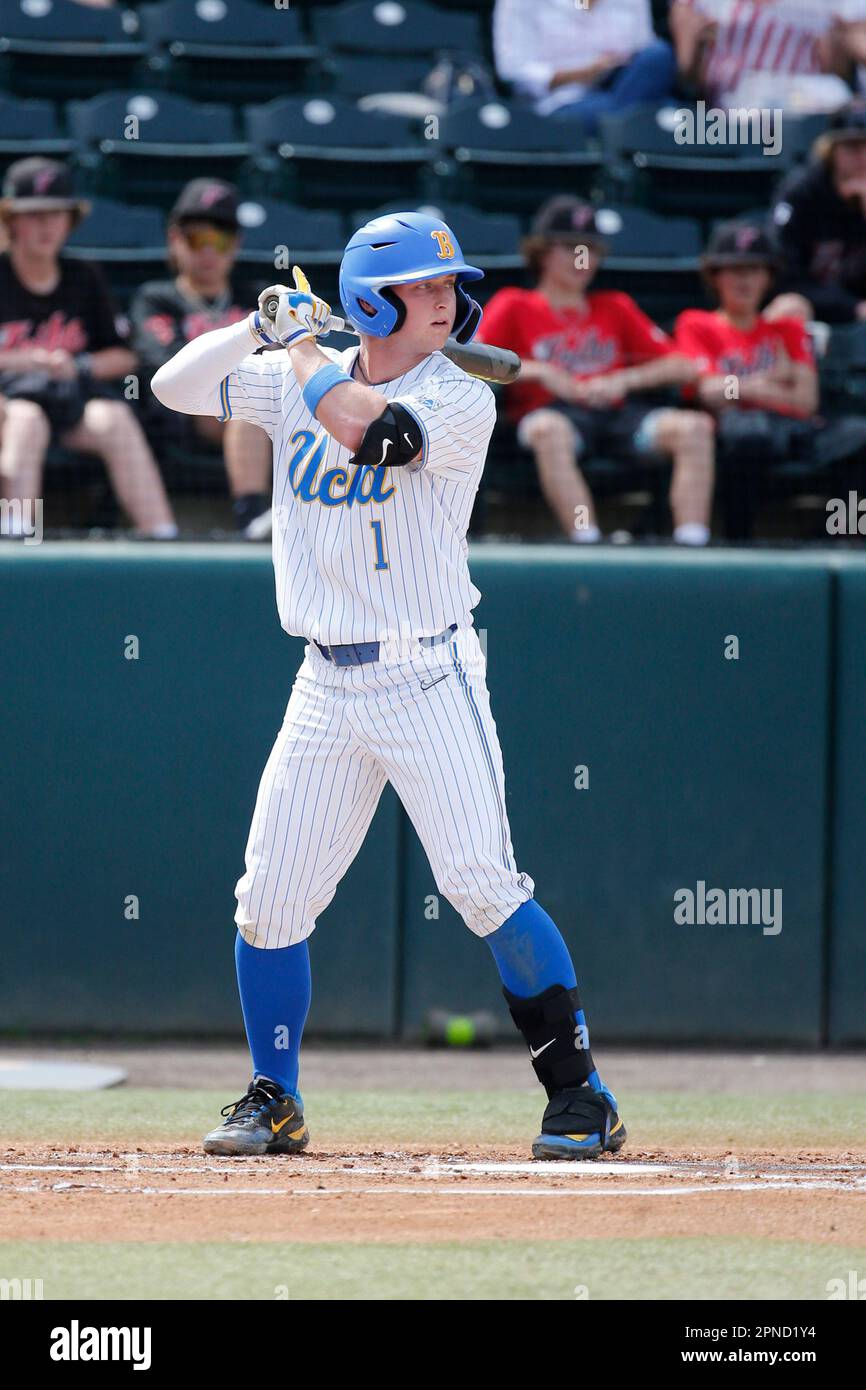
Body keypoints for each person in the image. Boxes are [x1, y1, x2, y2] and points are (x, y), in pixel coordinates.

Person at [151, 211, 628, 1162]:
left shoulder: (459, 399)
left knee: (484, 885)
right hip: (323, 683)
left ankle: (582, 1098)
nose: (447, 298)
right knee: (270, 901)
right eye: (422, 286)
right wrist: (262, 325)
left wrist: (299, 356)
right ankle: (274, 1096)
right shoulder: (302, 376)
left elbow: (365, 432)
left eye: (450, 284)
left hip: (426, 671)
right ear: (373, 299)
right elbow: (172, 387)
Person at [477, 196, 715, 545]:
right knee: (549, 429)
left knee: (695, 427)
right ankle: (587, 539)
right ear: (542, 252)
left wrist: (624, 380)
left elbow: (683, 365)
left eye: (590, 249)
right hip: (551, 415)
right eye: (570, 247)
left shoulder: (614, 305)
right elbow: (473, 360)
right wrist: (541, 371)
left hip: (618, 418)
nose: (582, 259)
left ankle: (693, 544)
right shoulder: (515, 304)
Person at [0, 157, 176, 536]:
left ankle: (163, 535)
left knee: (115, 418)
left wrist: (76, 365)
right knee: (26, 421)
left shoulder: (83, 275)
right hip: (9, 404)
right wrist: (19, 360)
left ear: (70, 220)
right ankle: (14, 538)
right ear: (12, 220)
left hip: (68, 399)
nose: (46, 226)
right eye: (34, 215)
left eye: (56, 214)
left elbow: (124, 355)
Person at [676, 221, 866, 537]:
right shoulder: (697, 323)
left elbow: (805, 401)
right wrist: (773, 380)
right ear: (715, 276)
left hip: (793, 428)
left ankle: (841, 534)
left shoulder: (786, 328)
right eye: (734, 270)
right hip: (738, 430)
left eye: (754, 270)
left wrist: (738, 385)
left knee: (859, 435)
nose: (744, 280)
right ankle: (740, 539)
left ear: (768, 277)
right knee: (749, 433)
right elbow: (708, 391)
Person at [130, 180, 273, 539]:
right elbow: (162, 360)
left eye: (220, 241)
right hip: (184, 412)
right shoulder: (156, 298)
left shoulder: (256, 297)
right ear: (174, 239)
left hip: (261, 404)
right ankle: (252, 516)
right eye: (197, 239)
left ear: (236, 245)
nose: (209, 252)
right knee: (246, 403)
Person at [492, 0, 676, 133]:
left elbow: (644, 56)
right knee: (658, 121)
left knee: (658, 54)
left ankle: (629, 123)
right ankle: (629, 125)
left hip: (625, 88)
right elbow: (513, 71)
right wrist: (586, 73)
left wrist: (618, 65)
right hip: (560, 101)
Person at [670, 0, 866, 113]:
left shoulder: (824, 6)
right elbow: (687, 76)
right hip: (730, 110)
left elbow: (835, 72)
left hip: (802, 108)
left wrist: (840, 34)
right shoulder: (697, 5)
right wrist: (697, 40)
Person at [768, 105, 866, 325]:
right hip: (810, 308)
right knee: (789, 307)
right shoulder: (802, 192)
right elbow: (782, 274)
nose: (862, 156)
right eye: (852, 146)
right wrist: (851, 307)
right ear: (831, 150)